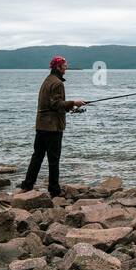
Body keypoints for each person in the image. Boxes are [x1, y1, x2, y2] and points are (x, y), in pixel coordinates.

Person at [18, 56, 86, 196]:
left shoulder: (47, 80)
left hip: (41, 125)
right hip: (52, 127)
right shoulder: (58, 83)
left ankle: (27, 185)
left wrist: (69, 107)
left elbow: (51, 105)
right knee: (53, 160)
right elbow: (56, 104)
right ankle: (54, 190)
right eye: (64, 66)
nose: (66, 68)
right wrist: (74, 102)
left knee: (37, 156)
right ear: (58, 67)